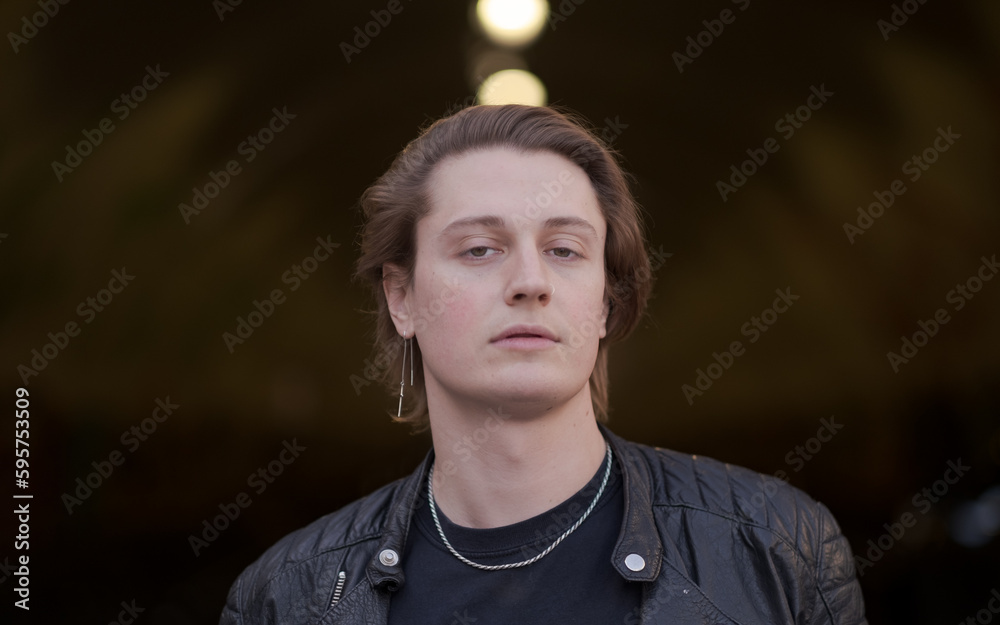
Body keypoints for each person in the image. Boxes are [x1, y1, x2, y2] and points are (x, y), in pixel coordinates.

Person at [219, 104, 867, 624]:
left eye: (564, 249)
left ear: (606, 300)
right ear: (401, 297)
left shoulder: (778, 547)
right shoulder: (286, 596)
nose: (530, 281)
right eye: (479, 249)